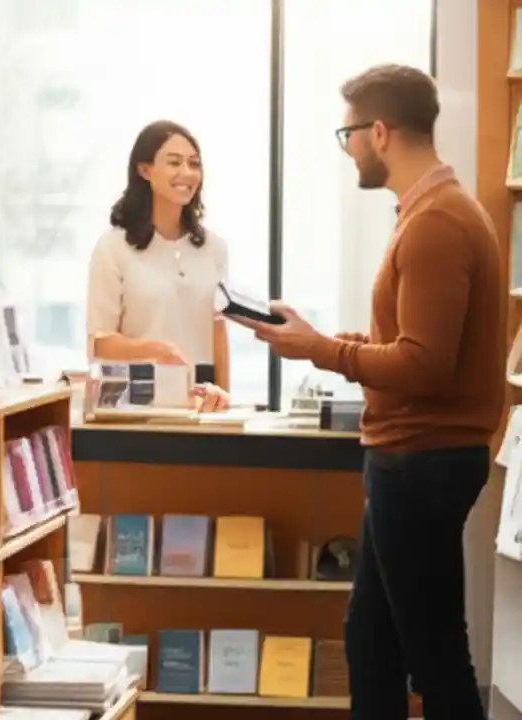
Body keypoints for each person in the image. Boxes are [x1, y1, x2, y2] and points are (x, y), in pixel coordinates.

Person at [237, 64, 504, 720]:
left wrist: (319, 350)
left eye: (348, 134)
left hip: (420, 460)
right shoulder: (429, 213)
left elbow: (423, 365)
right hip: (413, 457)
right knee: (372, 640)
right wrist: (320, 339)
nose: (348, 148)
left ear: (379, 132)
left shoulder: (437, 223)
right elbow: (407, 342)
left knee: (434, 655)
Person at [87, 120, 230, 411]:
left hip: (200, 410)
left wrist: (225, 400)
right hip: (137, 410)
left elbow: (218, 333)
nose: (186, 173)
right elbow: (99, 343)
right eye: (174, 162)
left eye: (194, 164)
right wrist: (155, 350)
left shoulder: (214, 248)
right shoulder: (113, 247)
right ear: (145, 170)